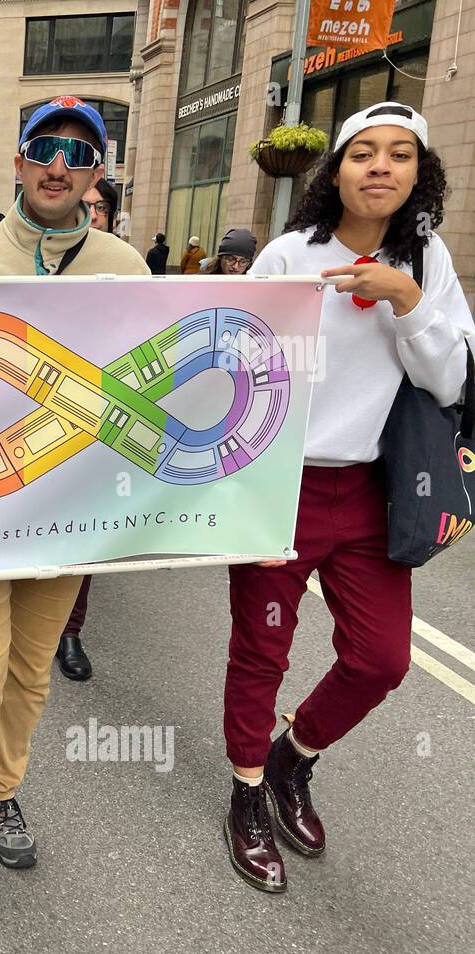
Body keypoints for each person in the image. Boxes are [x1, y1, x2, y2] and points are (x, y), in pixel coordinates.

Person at [0, 94, 151, 911]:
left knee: (29, 672)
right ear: (16, 160)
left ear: (97, 173)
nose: (58, 166)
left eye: (78, 155)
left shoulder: (126, 267)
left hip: (67, 519)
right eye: (44, 147)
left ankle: (3, 787)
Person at [223, 102, 475, 893]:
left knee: (381, 658)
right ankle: (246, 793)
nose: (380, 166)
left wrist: (406, 298)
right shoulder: (287, 256)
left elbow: (452, 381)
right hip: (280, 482)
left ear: (417, 173)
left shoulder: (426, 259)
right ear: (335, 169)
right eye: (363, 152)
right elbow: (232, 366)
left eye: (399, 154)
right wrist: (237, 498)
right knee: (260, 648)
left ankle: (293, 759)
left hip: (370, 489)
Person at [57, 176, 126, 680]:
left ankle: (70, 631)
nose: (90, 214)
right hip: (37, 418)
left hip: (96, 425)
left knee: (82, 534)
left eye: (99, 208)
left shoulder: (127, 270)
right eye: (84, 206)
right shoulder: (33, 260)